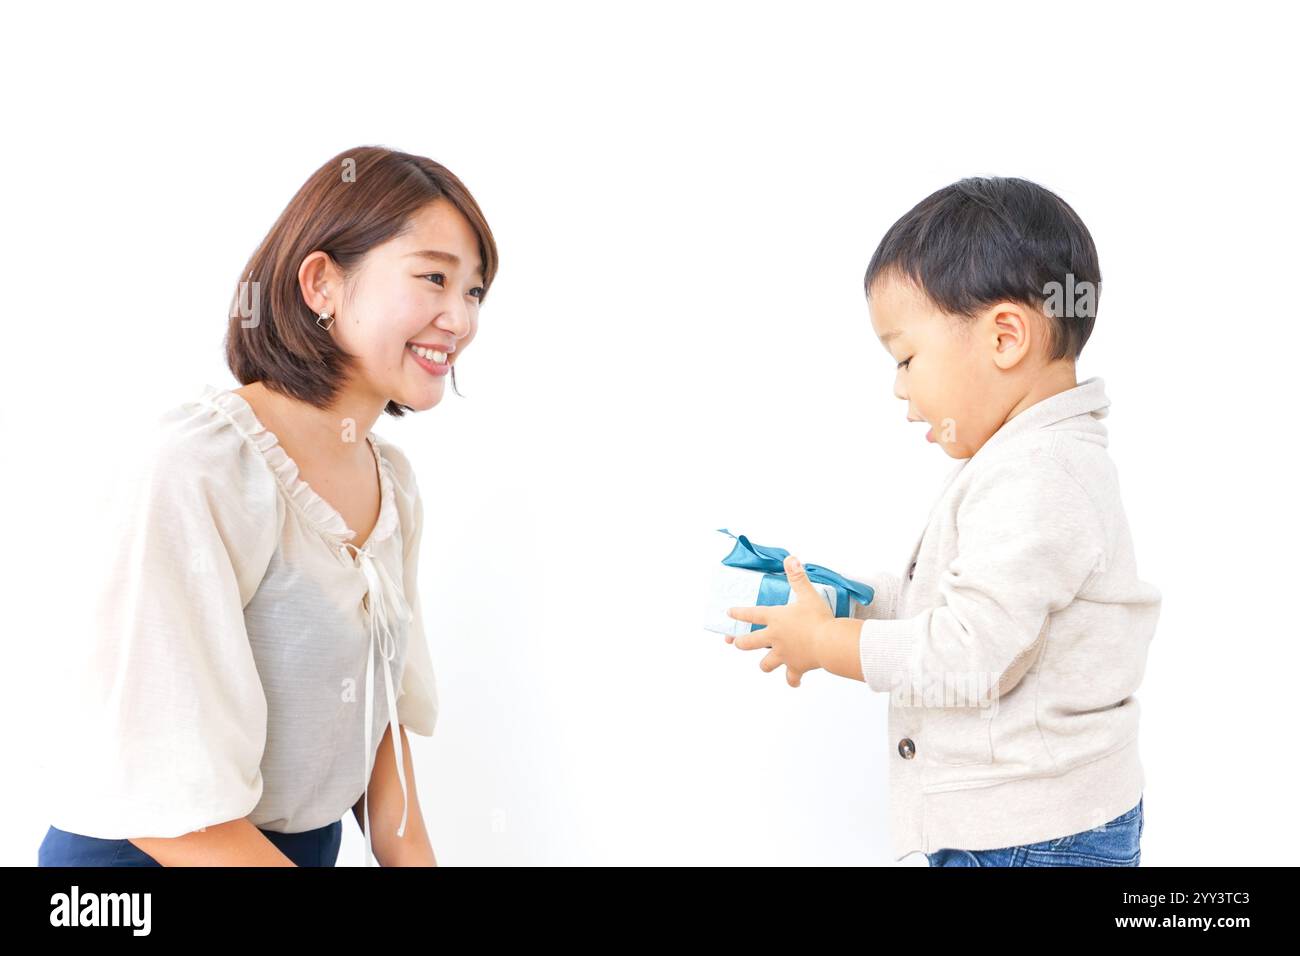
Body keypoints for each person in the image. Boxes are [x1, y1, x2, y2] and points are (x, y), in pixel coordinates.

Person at [38, 145, 498, 867]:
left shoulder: (393, 483)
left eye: (474, 292)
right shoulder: (197, 467)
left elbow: (374, 723)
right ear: (321, 283)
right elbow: (159, 793)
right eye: (434, 277)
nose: (461, 319)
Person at [725, 177, 1159, 866]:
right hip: (1025, 829)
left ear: (1006, 336)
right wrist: (852, 596)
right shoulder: (1022, 459)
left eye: (905, 357)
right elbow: (966, 601)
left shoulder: (1040, 474)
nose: (898, 385)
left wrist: (829, 643)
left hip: (1032, 839)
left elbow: (971, 652)